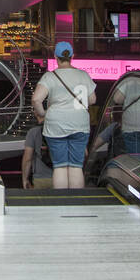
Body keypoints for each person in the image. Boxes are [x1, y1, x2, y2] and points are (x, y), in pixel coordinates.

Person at [30, 42, 95, 189]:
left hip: (55, 125)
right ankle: (77, 201)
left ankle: (61, 201)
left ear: (55, 57)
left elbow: (36, 99)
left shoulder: (50, 77)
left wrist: (43, 114)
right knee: (76, 166)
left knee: (59, 166)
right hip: (80, 124)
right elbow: (92, 100)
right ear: (72, 56)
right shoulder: (83, 75)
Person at [20, 124, 53, 189]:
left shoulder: (33, 132)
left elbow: (27, 159)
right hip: (61, 178)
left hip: (40, 178)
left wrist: (25, 179)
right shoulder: (63, 131)